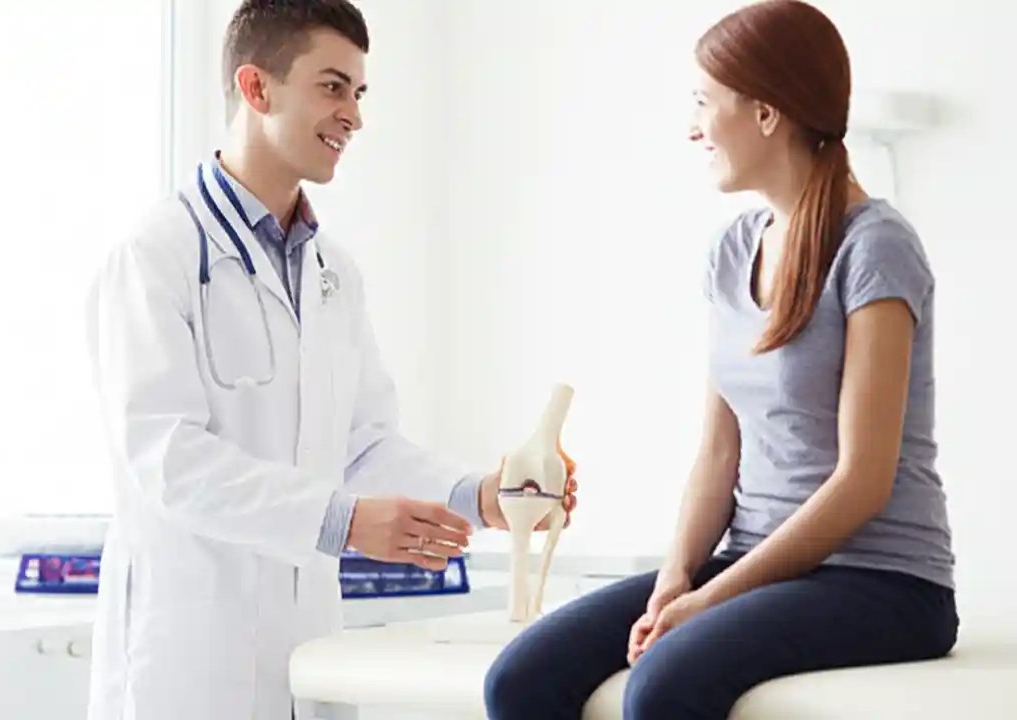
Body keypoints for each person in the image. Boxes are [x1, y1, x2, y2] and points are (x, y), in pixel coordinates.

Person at [82, 2, 577, 719]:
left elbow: (361, 443)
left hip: (307, 647)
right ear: (257, 89)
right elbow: (166, 456)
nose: (354, 115)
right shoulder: (157, 257)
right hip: (189, 653)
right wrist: (340, 522)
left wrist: (482, 495)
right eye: (333, 86)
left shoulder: (332, 273)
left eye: (359, 92)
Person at [483, 1, 957, 718]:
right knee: (520, 679)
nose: (693, 126)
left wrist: (713, 597)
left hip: (884, 581)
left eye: (705, 102)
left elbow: (862, 481)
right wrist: (675, 580)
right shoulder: (733, 248)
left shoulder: (875, 247)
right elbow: (717, 454)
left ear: (767, 114)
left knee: (666, 686)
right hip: (755, 564)